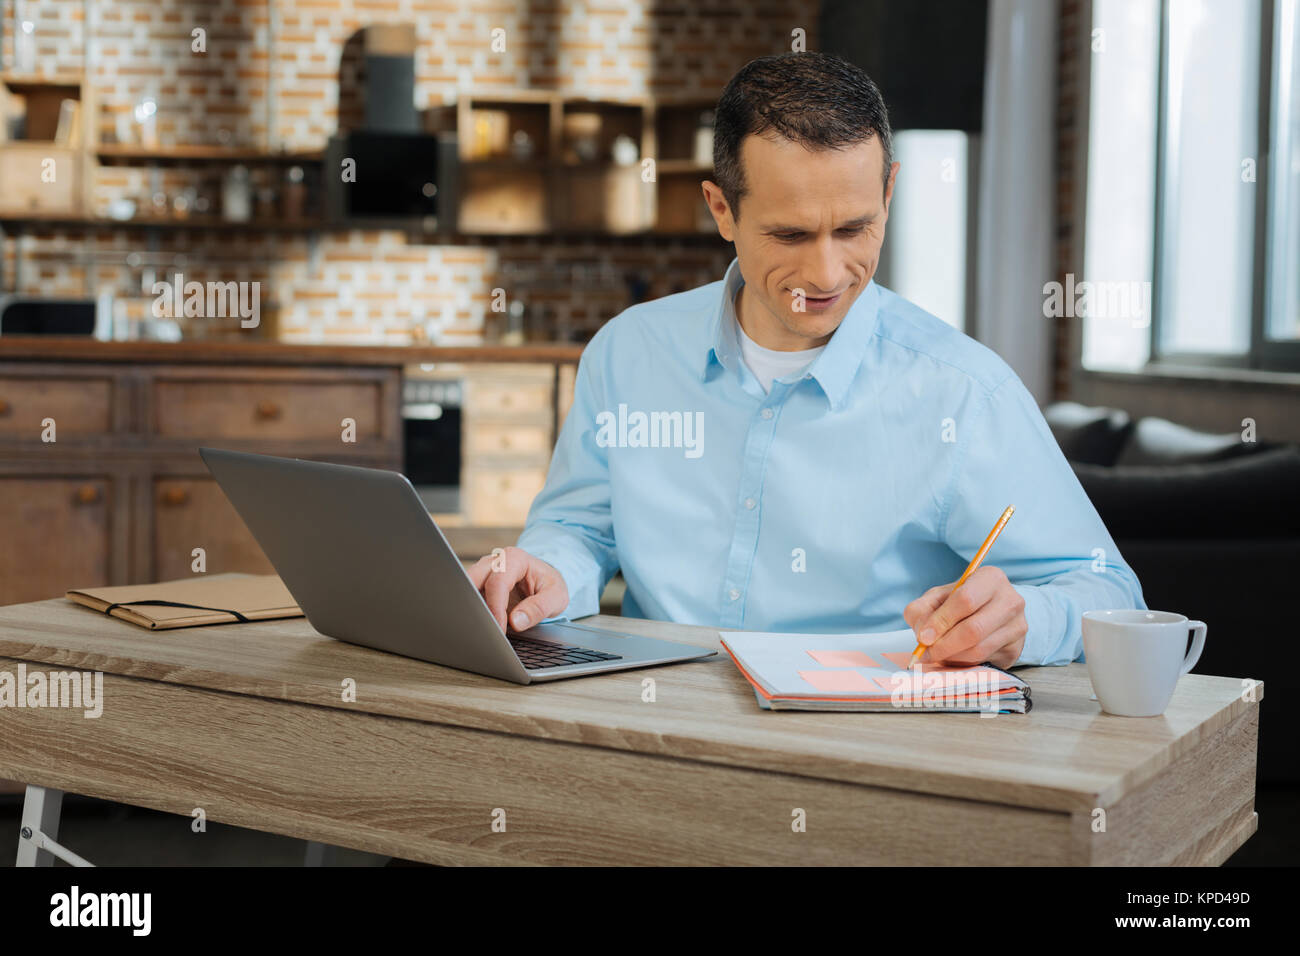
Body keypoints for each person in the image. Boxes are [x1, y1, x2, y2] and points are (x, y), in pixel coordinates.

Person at [469, 51, 1145, 669]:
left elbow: (1108, 592)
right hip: (657, 727)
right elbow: (578, 528)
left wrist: (1026, 621)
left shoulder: (965, 394)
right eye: (789, 234)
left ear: (889, 192)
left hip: (861, 747)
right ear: (721, 210)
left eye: (854, 228)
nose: (825, 273)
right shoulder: (628, 352)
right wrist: (550, 571)